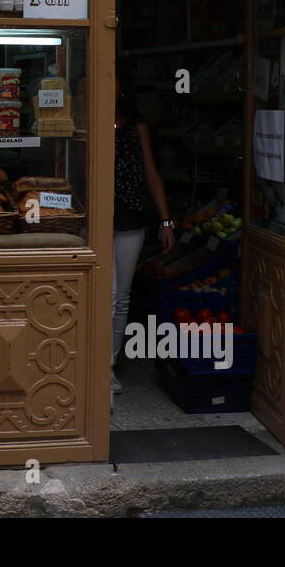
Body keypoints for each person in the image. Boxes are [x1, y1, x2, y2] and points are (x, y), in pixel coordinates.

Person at [112, 66, 174, 396]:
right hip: (93, 217)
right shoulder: (83, 120)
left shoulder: (136, 126)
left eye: (115, 76)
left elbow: (152, 173)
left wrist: (166, 221)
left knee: (120, 296)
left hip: (130, 216)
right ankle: (92, 364)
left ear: (123, 86)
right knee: (103, 295)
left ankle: (108, 364)